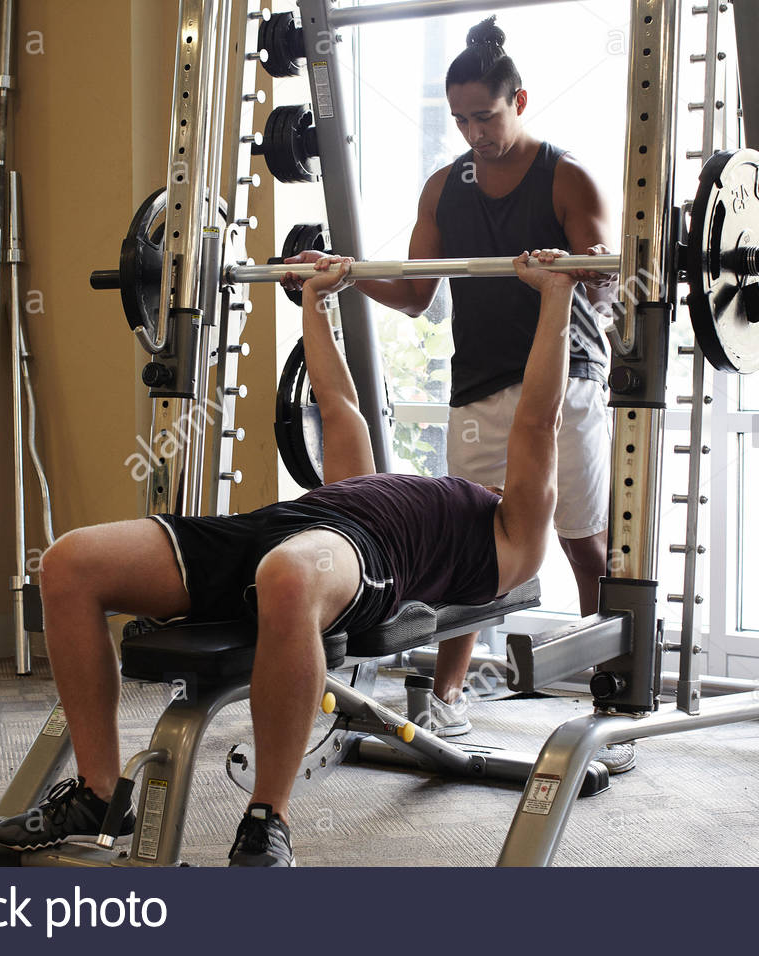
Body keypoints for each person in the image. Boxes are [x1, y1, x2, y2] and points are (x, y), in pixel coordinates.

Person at [0, 248, 583, 866]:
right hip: (277, 526)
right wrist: (316, 300)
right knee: (68, 562)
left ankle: (266, 818)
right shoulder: (374, 484)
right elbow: (338, 405)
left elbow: (537, 421)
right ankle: (98, 791)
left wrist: (556, 294)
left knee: (290, 575)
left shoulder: (514, 539)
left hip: (357, 557)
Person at [282, 17, 628, 769]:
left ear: (521, 100)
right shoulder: (445, 188)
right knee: (476, 543)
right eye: (462, 119)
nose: (475, 132)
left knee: (580, 540)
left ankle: (613, 696)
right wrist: (345, 272)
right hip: (477, 382)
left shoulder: (567, 177)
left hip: (564, 377)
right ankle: (448, 697)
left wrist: (572, 269)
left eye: (487, 116)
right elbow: (412, 294)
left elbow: (610, 282)